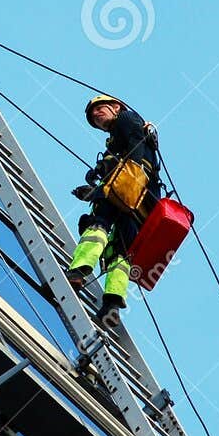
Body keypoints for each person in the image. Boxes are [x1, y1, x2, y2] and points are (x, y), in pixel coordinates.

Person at [65, 94, 161, 326]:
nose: (96, 117)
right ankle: (112, 305)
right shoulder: (126, 136)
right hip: (140, 206)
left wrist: (97, 191)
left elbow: (126, 179)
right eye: (93, 118)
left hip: (127, 193)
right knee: (120, 252)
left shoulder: (127, 121)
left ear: (116, 107)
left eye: (99, 110)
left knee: (97, 226)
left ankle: (78, 272)